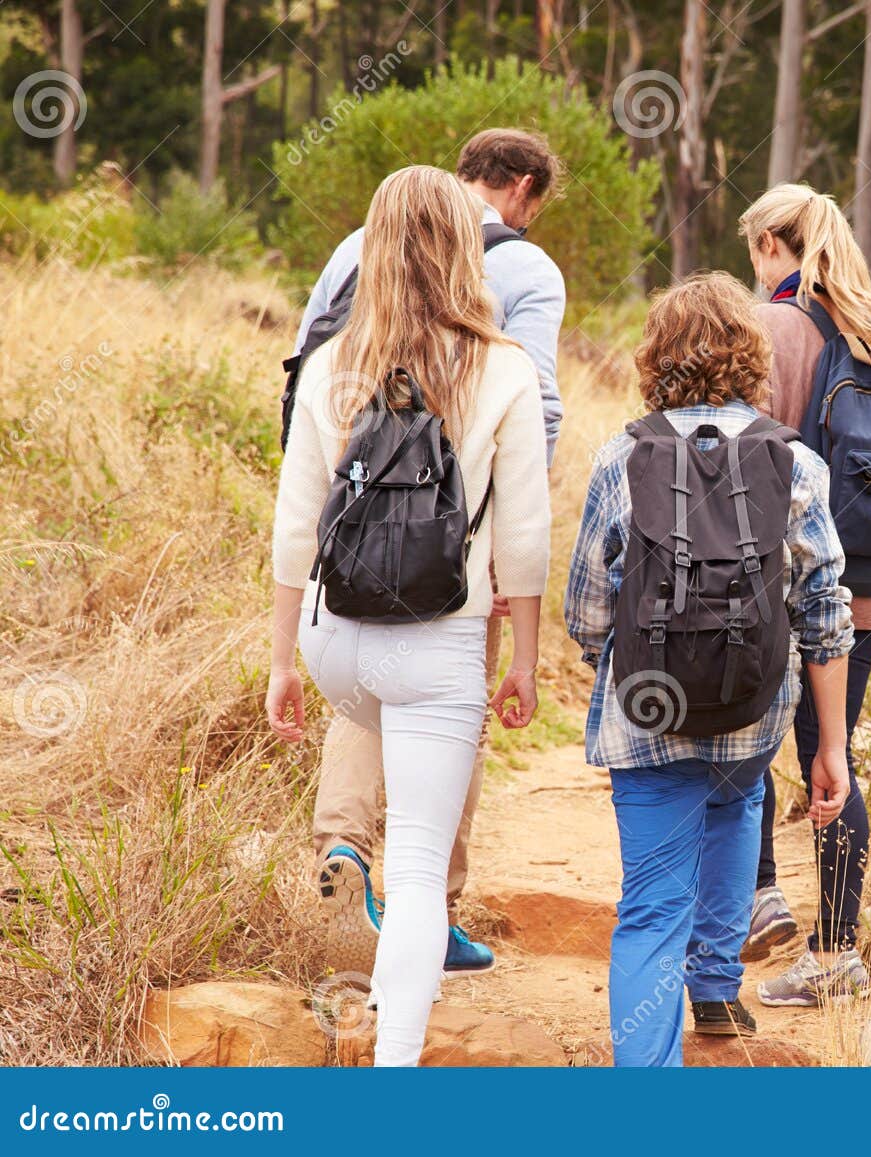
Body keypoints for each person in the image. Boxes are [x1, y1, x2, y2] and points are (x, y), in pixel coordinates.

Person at [266, 165, 550, 1066]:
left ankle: (361, 930)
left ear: (374, 246)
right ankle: (393, 1070)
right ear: (468, 245)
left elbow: (294, 528)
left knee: (377, 733)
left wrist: (283, 663)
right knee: (422, 868)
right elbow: (527, 538)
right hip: (439, 641)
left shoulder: (327, 363)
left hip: (336, 643)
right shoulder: (502, 366)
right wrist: (527, 661)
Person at [565, 273, 854, 1066]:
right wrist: (830, 746)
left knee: (651, 906)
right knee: (738, 805)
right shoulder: (793, 464)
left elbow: (587, 610)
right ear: (748, 355)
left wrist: (634, 669)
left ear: (655, 357)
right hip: (752, 710)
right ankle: (717, 985)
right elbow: (826, 613)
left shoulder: (621, 457)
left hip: (646, 715)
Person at [735, 184, 871, 1005]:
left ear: (773, 246)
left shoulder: (775, 329)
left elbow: (741, 466)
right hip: (867, 598)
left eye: (754, 250)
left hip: (785, 591)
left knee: (739, 747)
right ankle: (836, 950)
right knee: (833, 759)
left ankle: (761, 899)